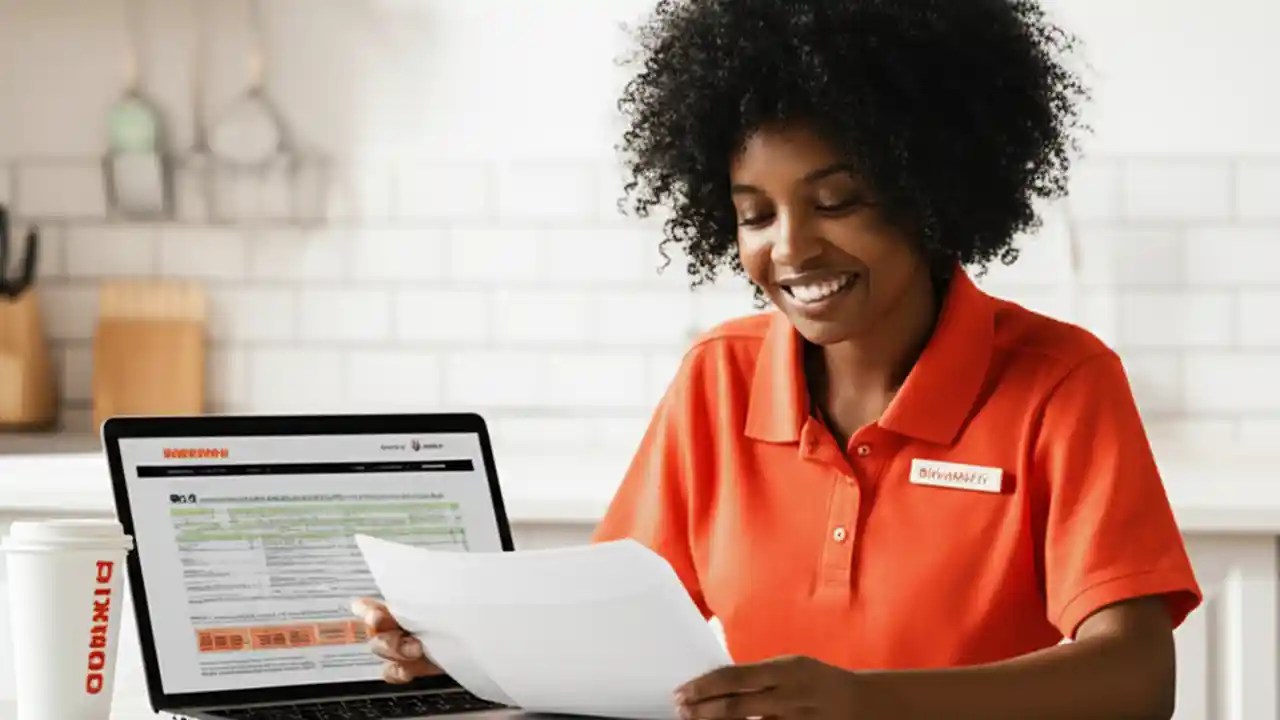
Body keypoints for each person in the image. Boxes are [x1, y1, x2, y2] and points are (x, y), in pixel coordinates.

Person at [352, 0, 1202, 717]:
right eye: (755, 215)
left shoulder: (1060, 381)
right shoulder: (718, 379)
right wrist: (461, 652)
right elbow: (601, 632)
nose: (790, 248)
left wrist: (865, 703)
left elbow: (1136, 678)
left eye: (837, 201)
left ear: (931, 194)